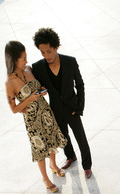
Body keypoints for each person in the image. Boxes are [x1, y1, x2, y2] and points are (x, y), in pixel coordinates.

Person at [5, 41, 67, 193]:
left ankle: (53, 164)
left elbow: (39, 86)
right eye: (23, 59)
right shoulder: (9, 83)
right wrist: (29, 99)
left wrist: (42, 89)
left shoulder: (28, 69)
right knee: (39, 148)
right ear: (13, 60)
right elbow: (14, 109)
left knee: (52, 139)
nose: (26, 61)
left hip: (45, 111)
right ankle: (45, 178)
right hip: (32, 119)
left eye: (26, 57)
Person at [32, 28, 92, 179]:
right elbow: (35, 84)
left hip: (72, 107)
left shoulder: (70, 62)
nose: (46, 55)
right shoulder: (38, 67)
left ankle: (87, 166)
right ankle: (70, 157)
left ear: (56, 47)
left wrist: (79, 107)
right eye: (42, 52)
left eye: (49, 51)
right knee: (63, 137)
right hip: (55, 109)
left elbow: (80, 85)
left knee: (81, 138)